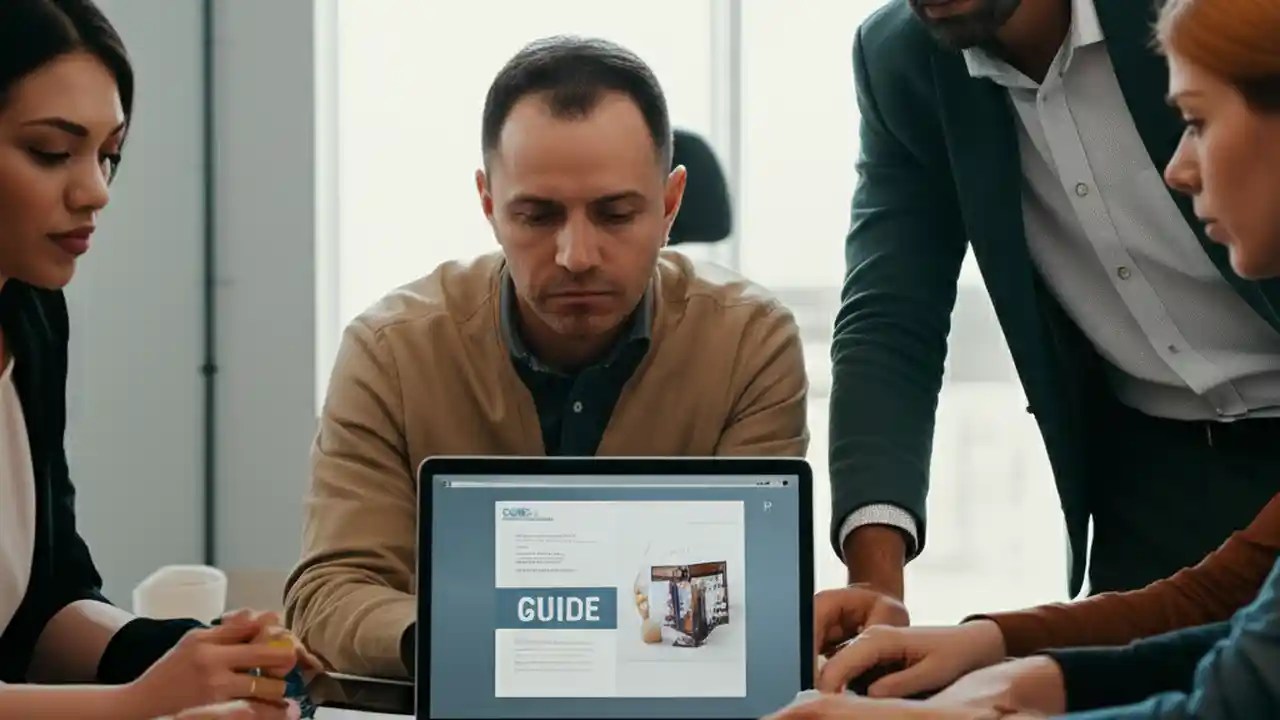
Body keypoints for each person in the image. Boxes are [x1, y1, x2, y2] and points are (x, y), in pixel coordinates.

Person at [779, 0, 1280, 716]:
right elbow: (890, 318)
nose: (1181, 168)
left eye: (1194, 123)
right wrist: (896, 595)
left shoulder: (1207, 20)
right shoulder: (901, 60)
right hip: (1151, 472)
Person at [284, 35, 809, 678]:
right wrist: (480, 643)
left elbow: (748, 602)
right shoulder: (390, 352)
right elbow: (329, 593)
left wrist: (518, 631)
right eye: (536, 216)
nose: (576, 254)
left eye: (616, 214)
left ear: (670, 204)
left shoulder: (747, 345)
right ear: (488, 204)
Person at [0, 2, 315, 718]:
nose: (96, 191)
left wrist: (195, 653)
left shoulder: (34, 318)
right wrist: (134, 704)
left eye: (109, 154)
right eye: (52, 152)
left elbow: (48, 602)